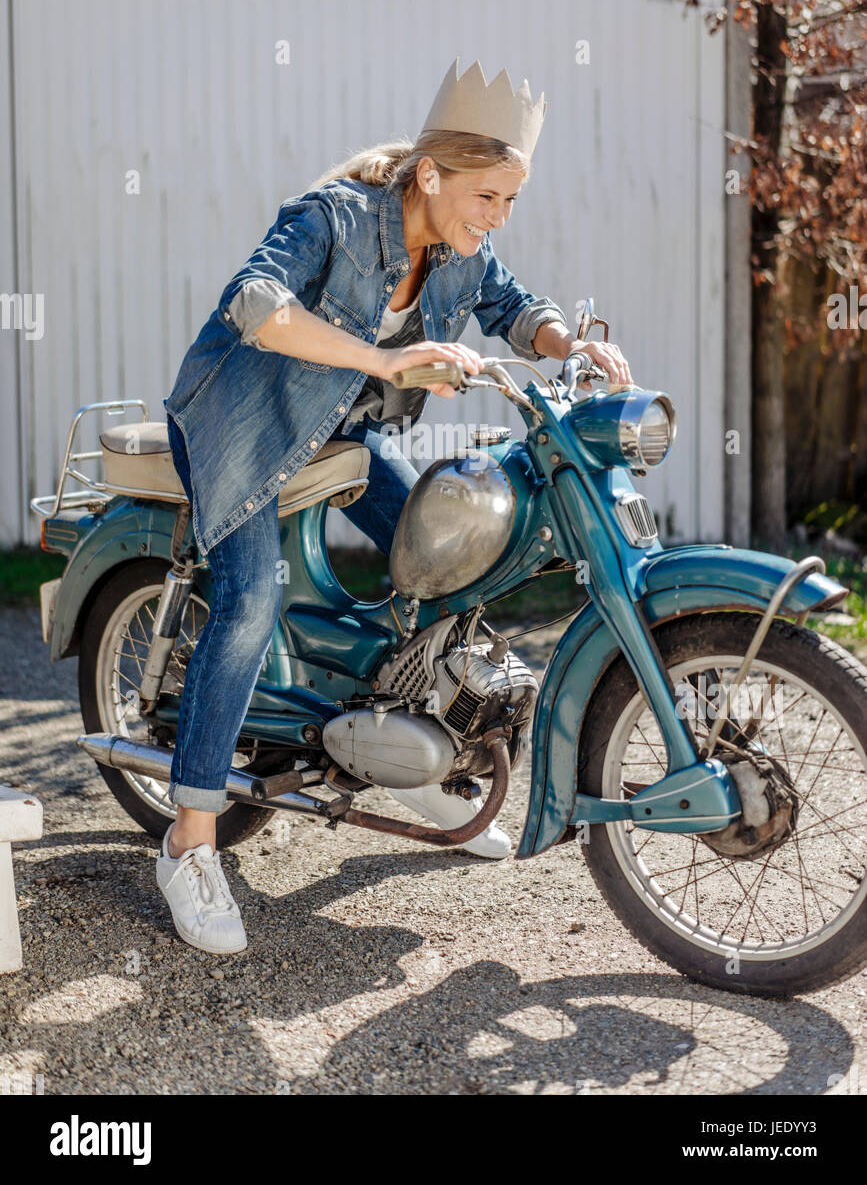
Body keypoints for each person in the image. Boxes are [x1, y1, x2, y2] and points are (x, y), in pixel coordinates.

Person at [156, 58, 632, 953]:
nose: (494, 218)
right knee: (252, 598)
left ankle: (404, 738)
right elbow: (253, 304)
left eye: (508, 204)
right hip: (240, 425)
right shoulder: (331, 217)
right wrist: (384, 362)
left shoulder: (460, 249)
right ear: (430, 174)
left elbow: (510, 303)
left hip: (332, 429)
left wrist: (569, 341)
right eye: (486, 197)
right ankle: (189, 843)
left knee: (444, 547)